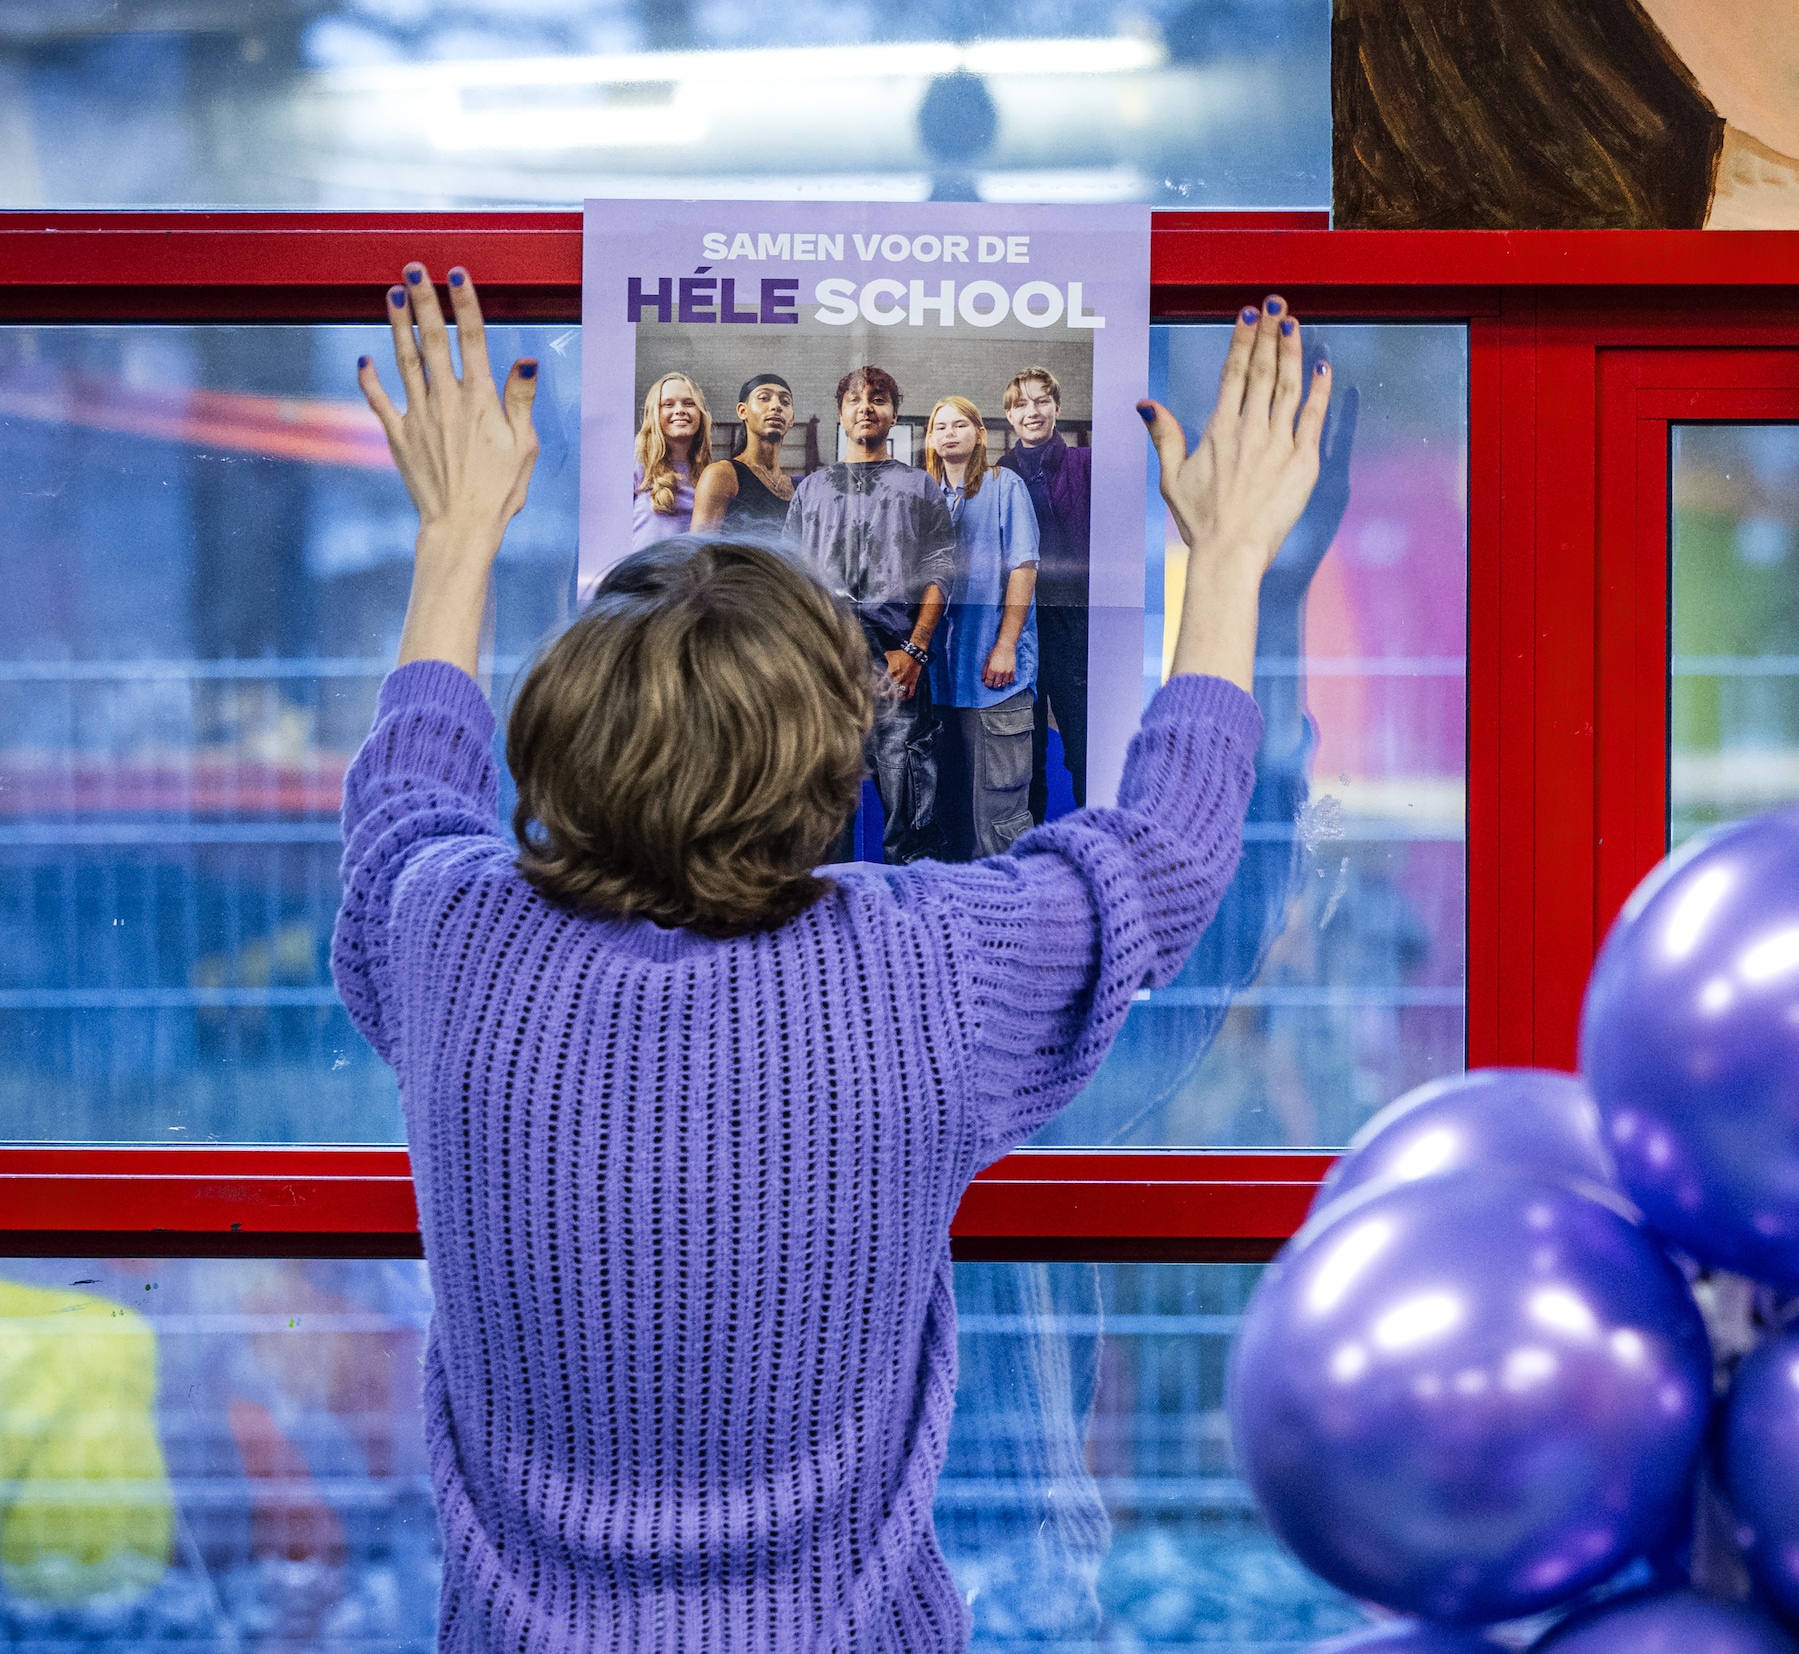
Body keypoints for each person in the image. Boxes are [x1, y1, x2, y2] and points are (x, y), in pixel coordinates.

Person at [340, 264, 1328, 1651]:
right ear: (833, 762)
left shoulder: (452, 933)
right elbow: (1161, 855)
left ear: (555, 741)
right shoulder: (916, 966)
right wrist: (1224, 560)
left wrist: (455, 531)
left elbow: (402, 798)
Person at [783, 365, 957, 863]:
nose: (866, 408)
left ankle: (913, 931)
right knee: (818, 815)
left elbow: (941, 571)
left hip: (896, 666)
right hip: (824, 669)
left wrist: (916, 650)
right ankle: (819, 925)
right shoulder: (810, 490)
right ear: (841, 414)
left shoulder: (921, 489)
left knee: (910, 817)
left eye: (878, 399)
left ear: (894, 414)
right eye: (855, 400)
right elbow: (789, 578)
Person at [921, 394, 1043, 860]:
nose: (949, 433)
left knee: (997, 816)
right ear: (930, 439)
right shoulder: (929, 497)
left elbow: (1024, 567)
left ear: (979, 435)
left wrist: (1007, 644)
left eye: (960, 424)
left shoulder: (1003, 484)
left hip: (994, 674)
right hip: (941, 680)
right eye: (941, 426)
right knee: (948, 816)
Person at [996, 366, 1093, 822]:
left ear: (1057, 407)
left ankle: (1091, 847)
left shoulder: (1087, 466)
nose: (1031, 412)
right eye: (1021, 405)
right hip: (1020, 628)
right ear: (1009, 417)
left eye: (1041, 401)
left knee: (1083, 746)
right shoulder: (995, 477)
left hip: (1075, 626)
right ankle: (1027, 858)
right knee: (1024, 754)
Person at [691, 371, 798, 540]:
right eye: (764, 398)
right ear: (742, 411)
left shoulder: (798, 489)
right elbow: (700, 552)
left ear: (791, 419)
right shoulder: (722, 474)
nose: (776, 406)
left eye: (785, 402)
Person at [630, 371, 708, 550]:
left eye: (689, 403)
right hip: (644, 573)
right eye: (668, 404)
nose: (679, 410)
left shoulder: (710, 473)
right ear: (654, 414)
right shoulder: (635, 464)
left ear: (701, 413)